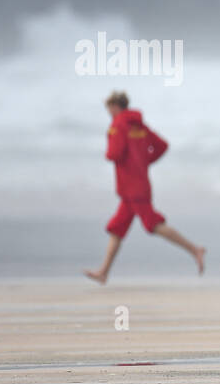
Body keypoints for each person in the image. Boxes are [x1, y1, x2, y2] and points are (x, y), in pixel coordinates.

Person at [85, 92, 205, 284]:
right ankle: (103, 272)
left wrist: (115, 148)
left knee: (153, 224)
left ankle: (194, 249)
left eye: (109, 108)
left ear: (115, 106)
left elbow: (114, 154)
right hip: (137, 185)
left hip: (131, 187)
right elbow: (162, 146)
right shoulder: (139, 125)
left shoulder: (118, 125)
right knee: (117, 228)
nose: (108, 112)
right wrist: (144, 161)